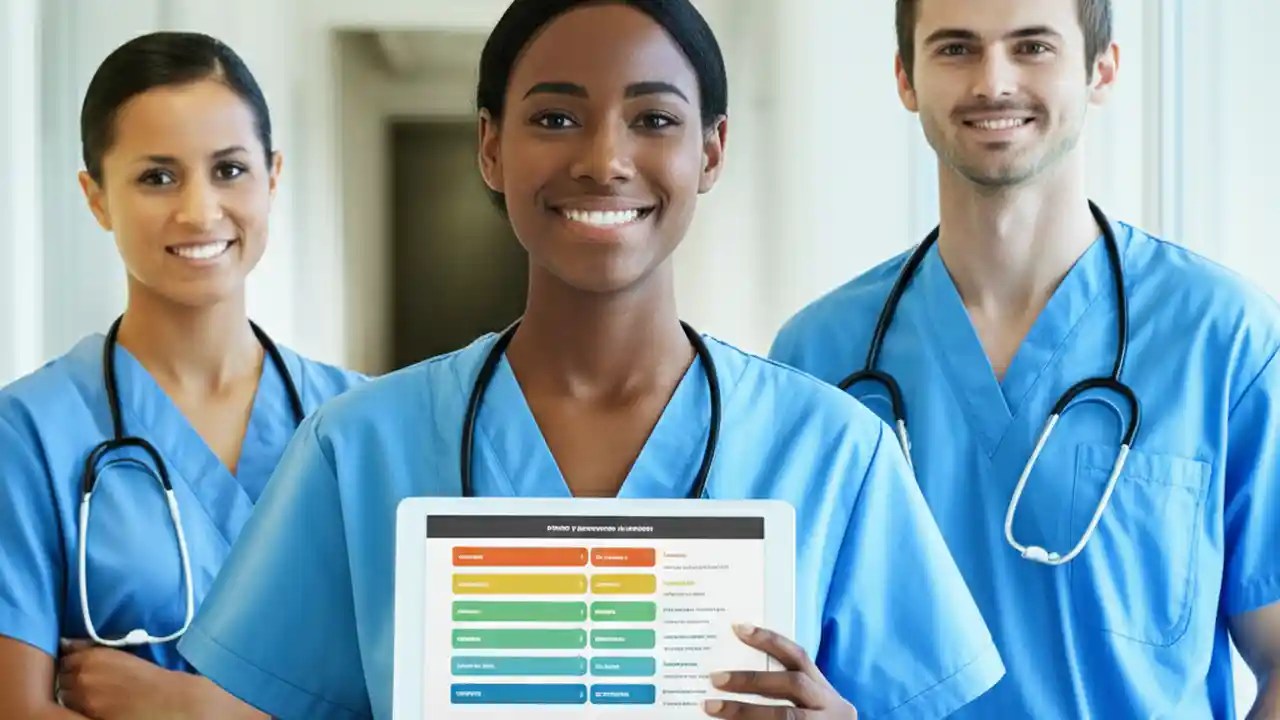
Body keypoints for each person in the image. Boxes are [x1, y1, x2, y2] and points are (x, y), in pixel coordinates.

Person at [174, 1, 1006, 718]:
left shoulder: (833, 450)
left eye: (654, 120)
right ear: (491, 147)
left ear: (711, 151)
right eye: (555, 119)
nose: (604, 161)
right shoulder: (357, 450)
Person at [769, 0, 1280, 717]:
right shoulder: (817, 356)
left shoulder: (1224, 340)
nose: (993, 82)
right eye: (955, 49)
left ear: (1102, 70)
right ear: (905, 77)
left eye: (1033, 46)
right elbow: (781, 655)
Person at [0, 31, 365, 719]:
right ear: (96, 198)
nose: (199, 211)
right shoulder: (28, 434)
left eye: (229, 169)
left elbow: (425, 693)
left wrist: (199, 710)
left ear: (272, 177)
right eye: (157, 177)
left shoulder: (364, 422)